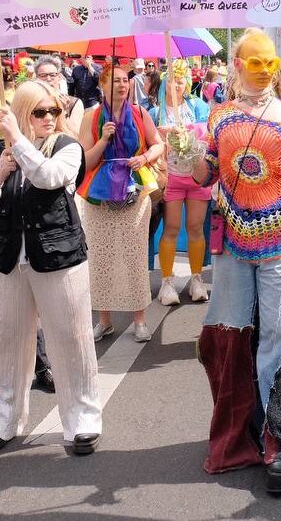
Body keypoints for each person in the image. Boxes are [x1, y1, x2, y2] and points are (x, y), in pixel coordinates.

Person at [191, 29, 281, 495]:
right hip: (231, 243)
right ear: (236, 64)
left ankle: (279, 441)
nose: (265, 71)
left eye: (271, 63)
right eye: (256, 62)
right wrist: (184, 152)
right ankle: (237, 436)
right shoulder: (220, 116)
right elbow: (206, 172)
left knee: (278, 335)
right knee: (231, 336)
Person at [0, 81, 102, 454]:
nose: (49, 118)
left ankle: (82, 421)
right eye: (40, 112)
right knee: (9, 340)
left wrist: (16, 139)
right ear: (24, 112)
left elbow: (49, 178)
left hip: (59, 256)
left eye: (54, 111)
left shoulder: (68, 147)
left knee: (71, 338)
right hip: (12, 257)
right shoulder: (7, 152)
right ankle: (5, 418)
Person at [77, 62, 164, 343]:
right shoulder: (91, 116)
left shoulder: (140, 113)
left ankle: (139, 320)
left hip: (134, 190)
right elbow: (84, 161)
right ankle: (104, 320)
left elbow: (158, 144)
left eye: (125, 80)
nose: (122, 85)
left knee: (133, 255)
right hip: (98, 194)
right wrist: (103, 140)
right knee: (101, 257)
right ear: (102, 85)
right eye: (115, 81)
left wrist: (146, 158)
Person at [150, 59, 211, 305]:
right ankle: (166, 282)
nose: (178, 83)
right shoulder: (155, 112)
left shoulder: (198, 106)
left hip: (197, 176)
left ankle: (197, 279)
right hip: (171, 177)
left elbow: (208, 134)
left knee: (195, 228)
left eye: (182, 79)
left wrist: (189, 132)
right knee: (172, 228)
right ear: (165, 81)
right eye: (174, 78)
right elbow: (150, 142)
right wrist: (162, 135)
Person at [34, 55, 83, 137]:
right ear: (36, 78)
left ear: (59, 77)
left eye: (52, 75)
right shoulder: (31, 102)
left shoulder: (73, 103)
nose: (48, 79)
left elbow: (75, 135)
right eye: (43, 75)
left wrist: (63, 112)